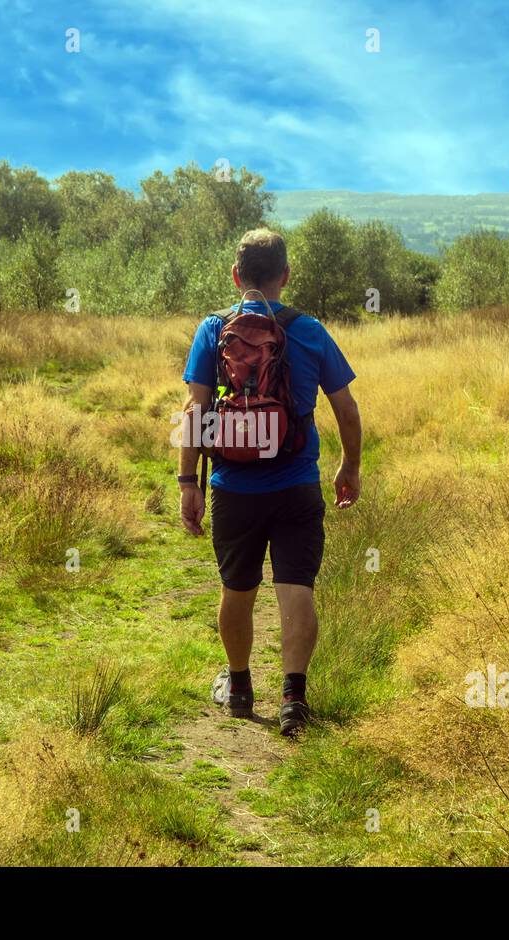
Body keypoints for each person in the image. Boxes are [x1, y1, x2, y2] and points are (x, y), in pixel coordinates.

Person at [178, 228, 362, 736]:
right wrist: (350, 465)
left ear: (236, 276)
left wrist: (187, 481)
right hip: (297, 484)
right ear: (286, 275)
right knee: (295, 588)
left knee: (237, 589)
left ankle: (238, 688)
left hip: (233, 487)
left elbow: (195, 409)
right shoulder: (309, 330)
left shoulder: (214, 330)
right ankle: (293, 700)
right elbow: (345, 407)